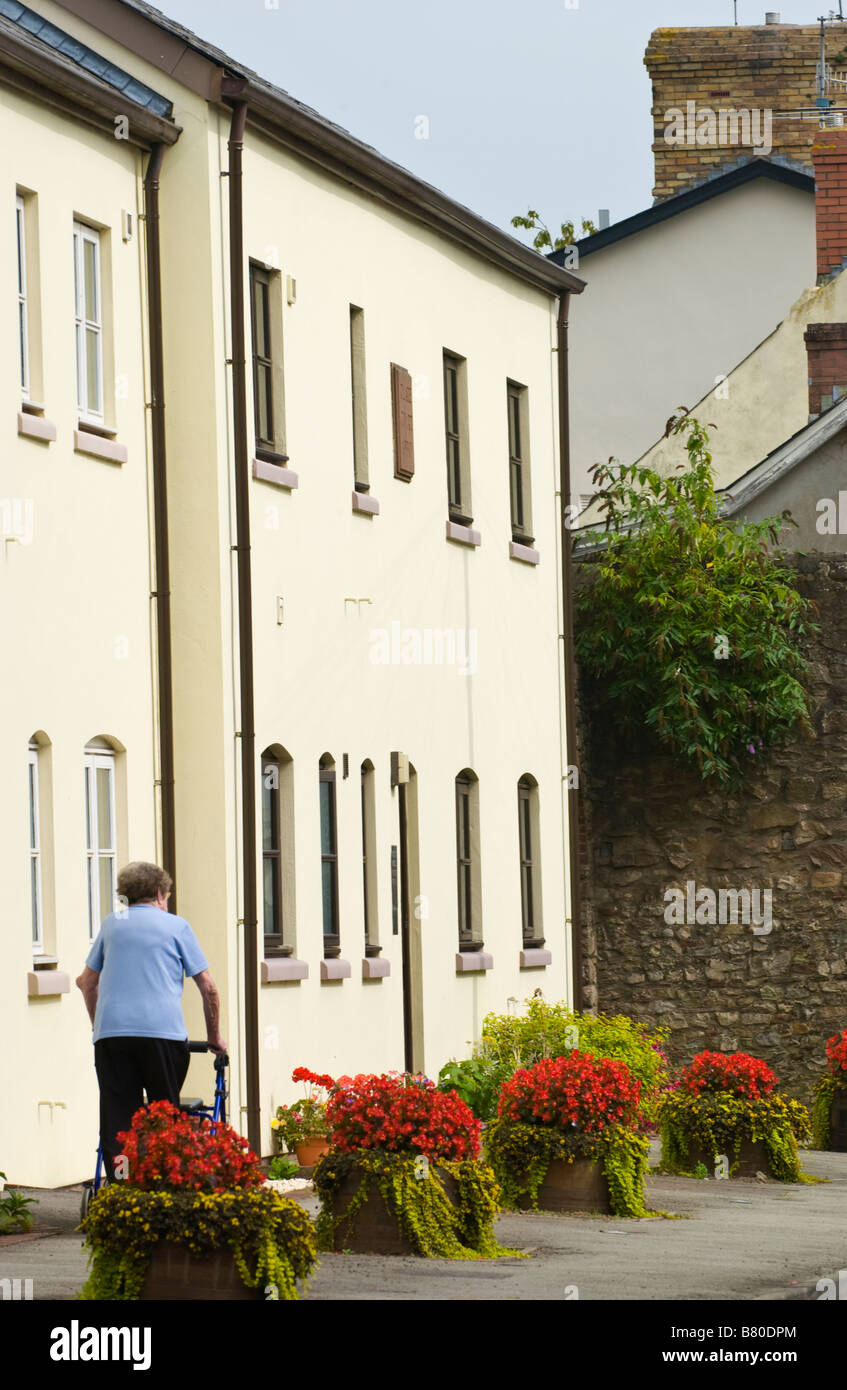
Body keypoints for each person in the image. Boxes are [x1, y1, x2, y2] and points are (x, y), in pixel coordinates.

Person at [75, 861, 225, 1181]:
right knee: (163, 1115)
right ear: (159, 893)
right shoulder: (176, 926)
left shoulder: (112, 925)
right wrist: (215, 1037)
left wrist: (97, 1024)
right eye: (167, 895)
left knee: (119, 1119)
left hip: (112, 1037)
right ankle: (162, 1182)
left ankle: (123, 1182)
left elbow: (86, 982)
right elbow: (208, 988)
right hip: (163, 1037)